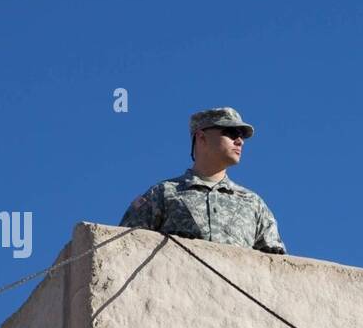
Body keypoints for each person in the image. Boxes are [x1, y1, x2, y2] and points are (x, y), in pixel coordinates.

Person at [119, 107, 286, 254]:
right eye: (231, 133)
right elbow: (123, 247)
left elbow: (276, 266)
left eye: (241, 136)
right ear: (201, 137)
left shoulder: (253, 203)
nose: (240, 141)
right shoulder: (162, 194)